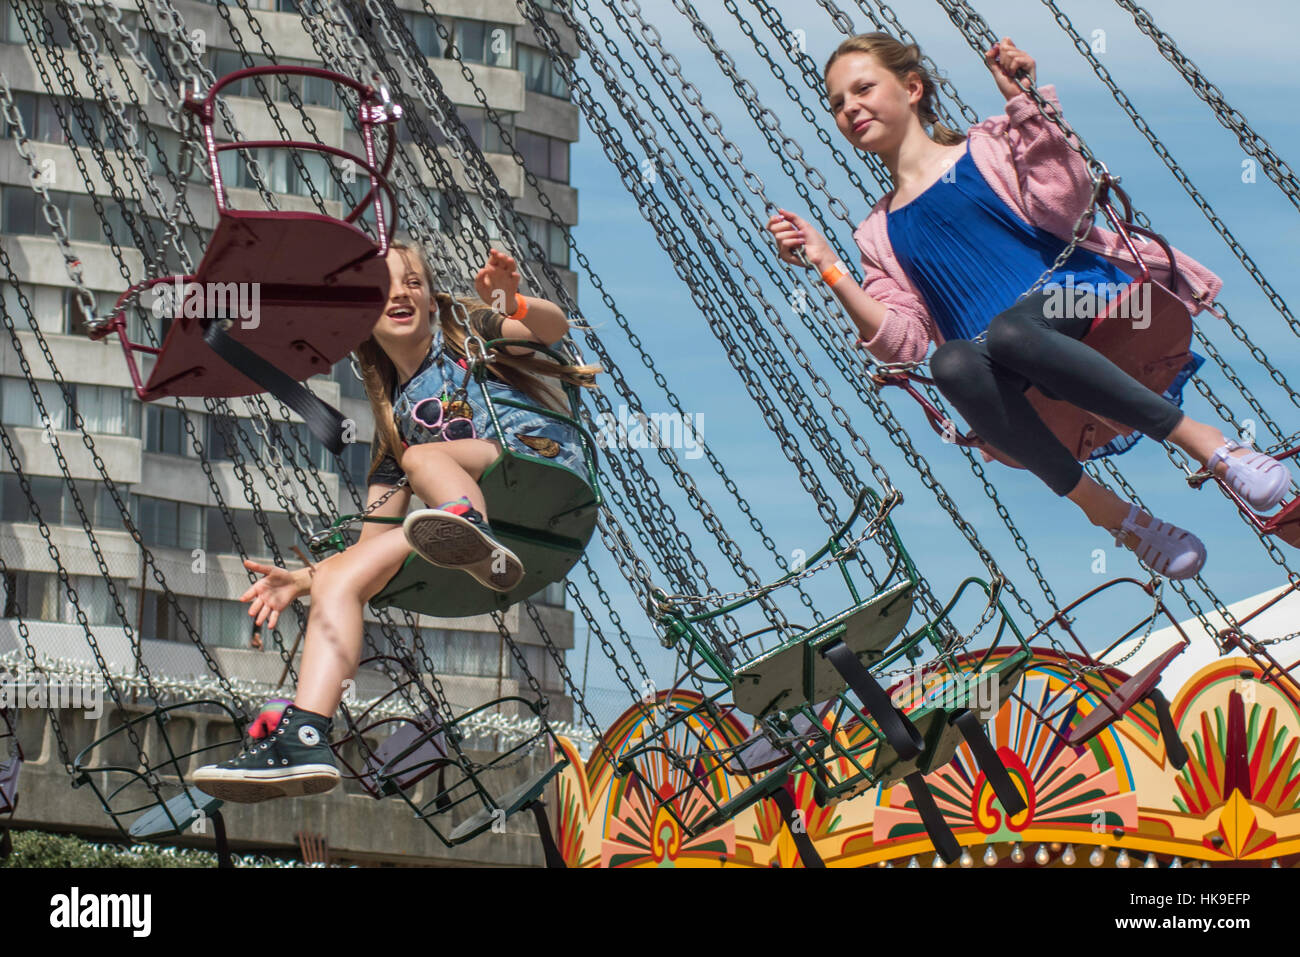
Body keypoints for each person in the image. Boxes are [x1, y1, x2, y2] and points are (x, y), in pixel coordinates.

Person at [768, 33, 1289, 580]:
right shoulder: (877, 234)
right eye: (836, 104)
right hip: (1013, 359)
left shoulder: (988, 146)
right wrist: (830, 267)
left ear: (913, 88)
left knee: (1012, 331)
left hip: (1090, 297)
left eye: (862, 89)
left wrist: (1027, 105)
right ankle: (1111, 514)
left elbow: (1065, 201)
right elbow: (905, 341)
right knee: (949, 363)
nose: (850, 108)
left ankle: (1206, 444)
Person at [192, 241, 598, 802]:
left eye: (412, 282)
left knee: (421, 459)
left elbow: (552, 333)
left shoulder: (469, 337)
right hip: (498, 530)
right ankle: (306, 734)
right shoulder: (395, 433)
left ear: (432, 300)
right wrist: (306, 579)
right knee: (344, 577)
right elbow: (373, 543)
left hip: (535, 468)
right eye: (382, 290)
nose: (400, 294)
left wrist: (508, 299)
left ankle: (468, 529)